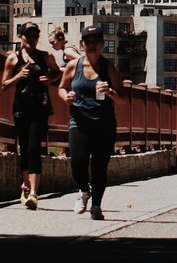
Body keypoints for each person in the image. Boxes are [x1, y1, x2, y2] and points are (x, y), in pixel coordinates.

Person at [61, 25, 124, 221]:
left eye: (95, 41)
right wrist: (66, 97)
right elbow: (62, 87)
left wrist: (110, 92)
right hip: (79, 122)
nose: (91, 45)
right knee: (77, 162)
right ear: (82, 44)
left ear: (102, 45)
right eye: (87, 41)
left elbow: (123, 98)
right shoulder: (73, 66)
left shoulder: (109, 68)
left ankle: (96, 205)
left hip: (104, 125)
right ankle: (83, 190)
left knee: (99, 167)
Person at [1, 22, 62, 210]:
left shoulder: (46, 57)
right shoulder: (13, 58)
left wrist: (50, 79)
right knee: (25, 148)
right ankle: (26, 185)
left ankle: (34, 193)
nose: (33, 39)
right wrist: (19, 76)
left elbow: (58, 73)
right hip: (21, 109)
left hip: (40, 109)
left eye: (35, 35)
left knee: (34, 147)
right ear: (21, 37)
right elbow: (4, 85)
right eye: (29, 36)